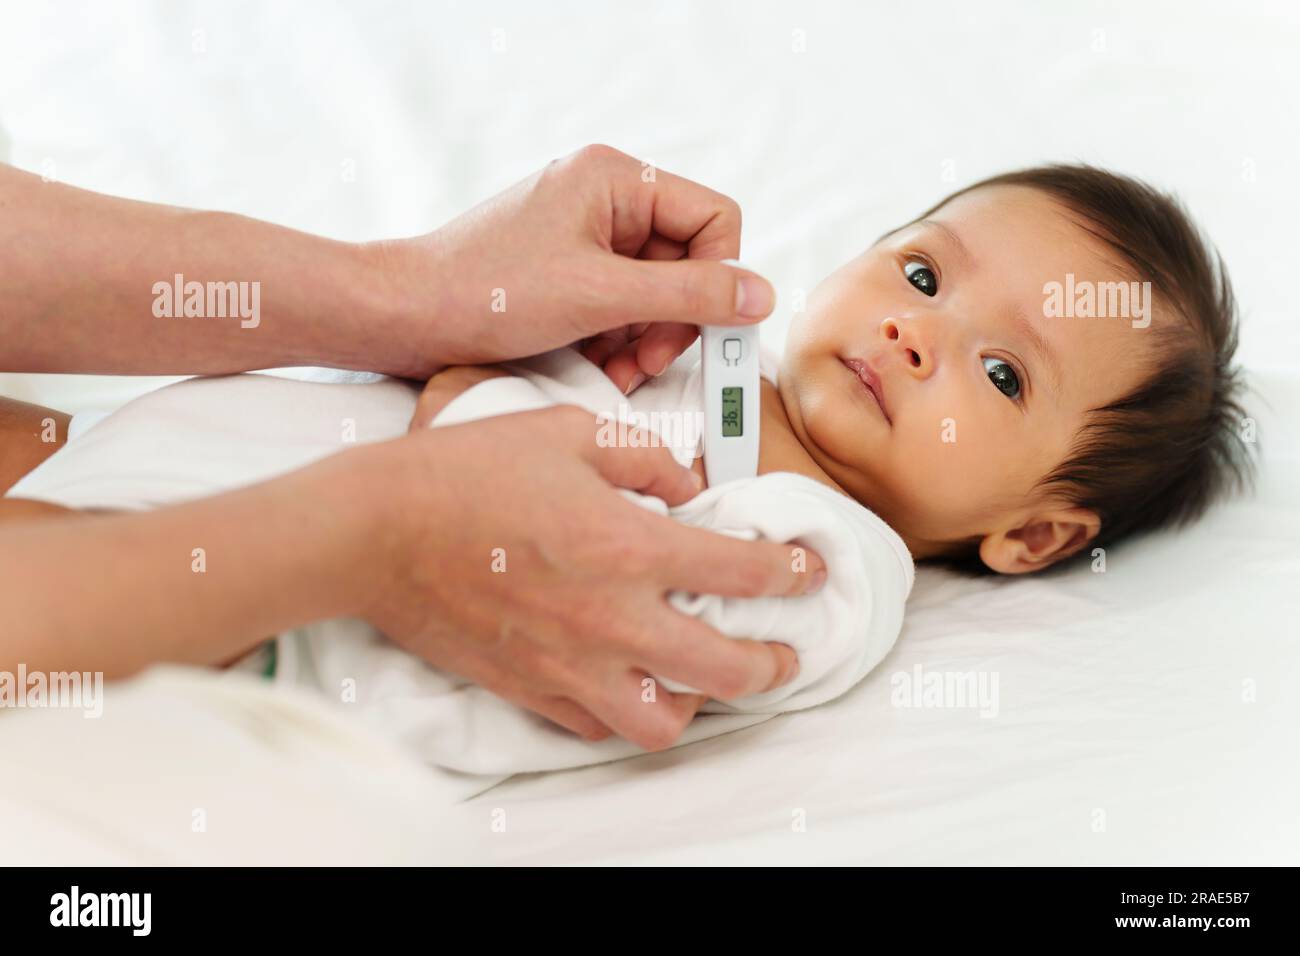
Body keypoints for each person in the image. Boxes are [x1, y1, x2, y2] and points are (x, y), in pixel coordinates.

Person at [0, 144, 827, 752]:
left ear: (968, 531)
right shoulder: (712, 360)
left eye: (969, 363)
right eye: (921, 274)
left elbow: (683, 605)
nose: (914, 334)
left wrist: (415, 302)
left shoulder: (834, 549)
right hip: (166, 510)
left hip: (234, 646)